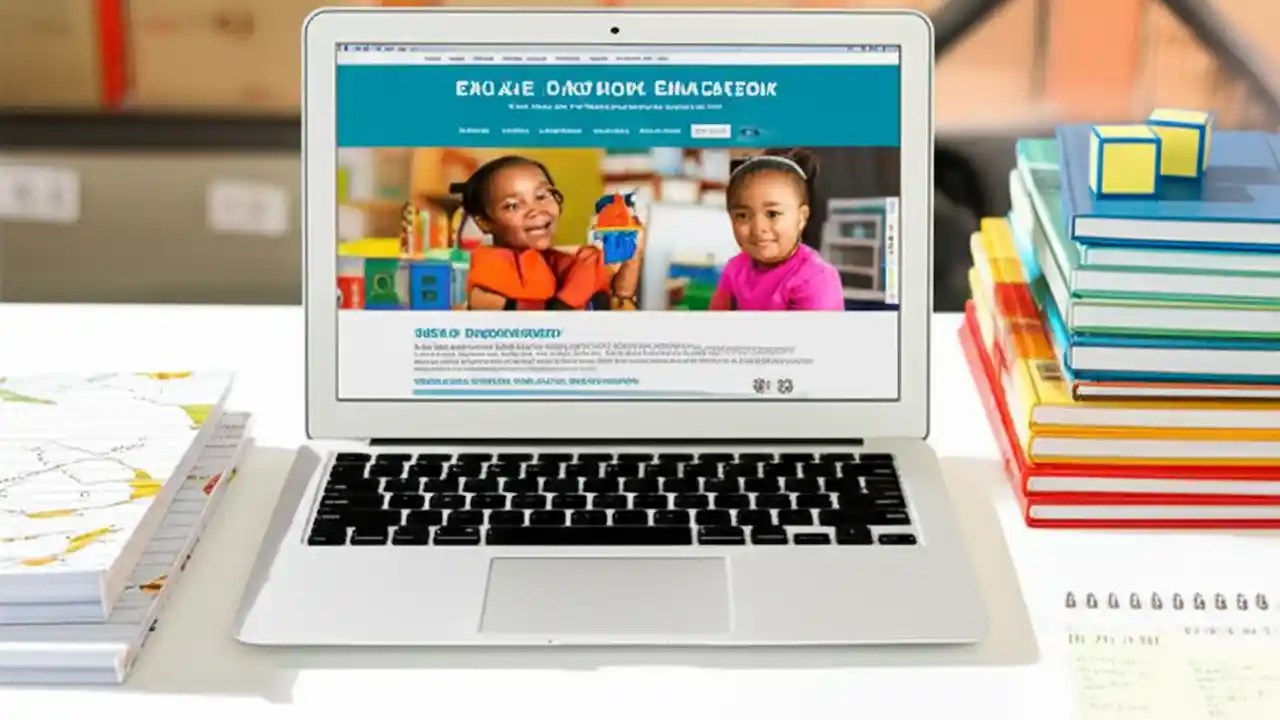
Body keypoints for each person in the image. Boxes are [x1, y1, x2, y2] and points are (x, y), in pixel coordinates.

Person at [461, 155, 643, 310]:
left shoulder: (550, 259)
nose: (535, 210)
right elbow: (553, 316)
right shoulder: (490, 266)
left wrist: (632, 254)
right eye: (513, 205)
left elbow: (620, 295)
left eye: (542, 196)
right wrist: (597, 272)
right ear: (484, 222)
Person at [709, 150, 845, 311]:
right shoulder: (734, 269)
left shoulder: (816, 277)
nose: (758, 228)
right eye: (743, 215)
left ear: (801, 218)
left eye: (772, 214)